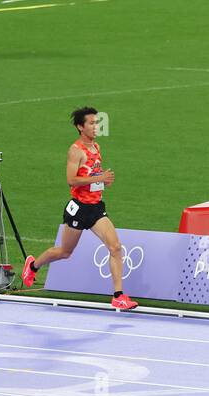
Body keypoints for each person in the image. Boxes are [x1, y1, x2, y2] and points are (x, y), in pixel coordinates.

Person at [20, 106, 139, 311]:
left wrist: (102, 182)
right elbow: (71, 180)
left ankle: (118, 296)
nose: (96, 127)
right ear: (80, 127)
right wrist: (99, 178)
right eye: (91, 123)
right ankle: (32, 266)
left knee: (115, 247)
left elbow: (93, 174)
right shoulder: (75, 150)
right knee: (65, 252)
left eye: (96, 123)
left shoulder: (96, 147)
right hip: (79, 208)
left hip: (96, 208)